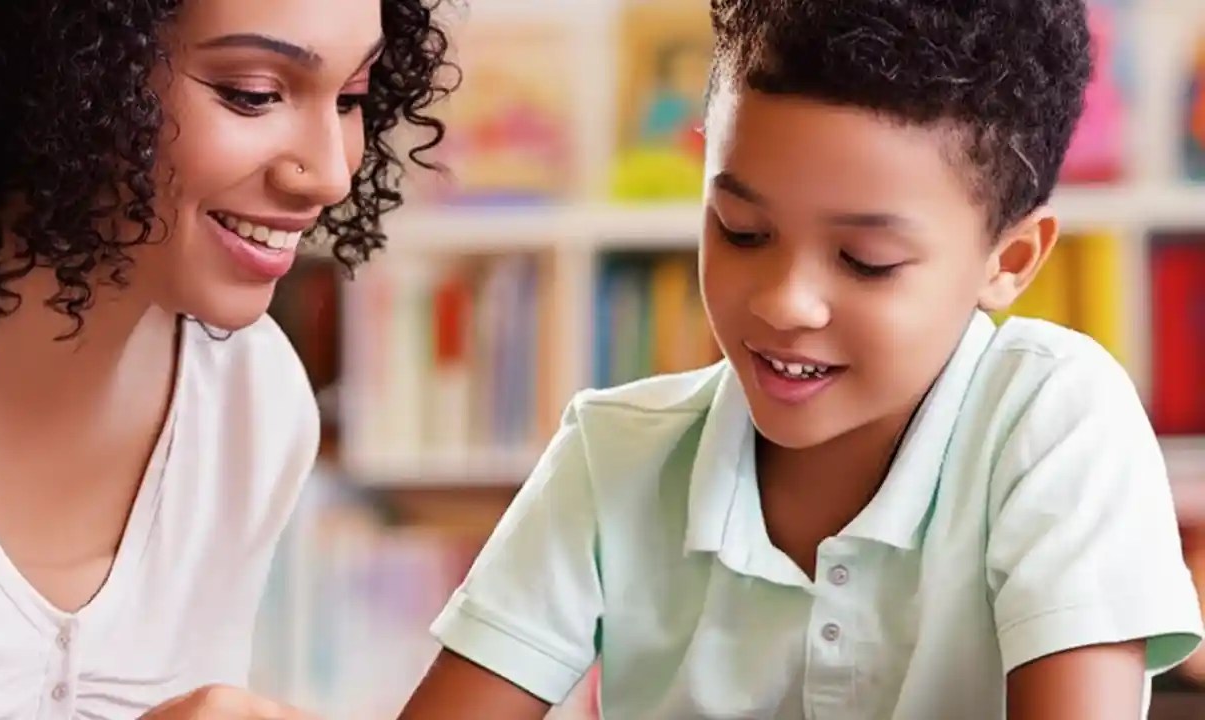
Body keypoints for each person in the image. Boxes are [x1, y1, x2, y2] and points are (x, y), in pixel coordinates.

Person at [400, 0, 1205, 718]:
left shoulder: (1055, 420)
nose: (785, 302)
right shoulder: (614, 454)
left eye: (866, 259)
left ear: (1011, 258)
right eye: (741, 231)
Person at [0, 0, 450, 717]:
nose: (330, 175)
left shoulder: (251, 402)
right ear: (65, 75)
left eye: (352, 97)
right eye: (254, 95)